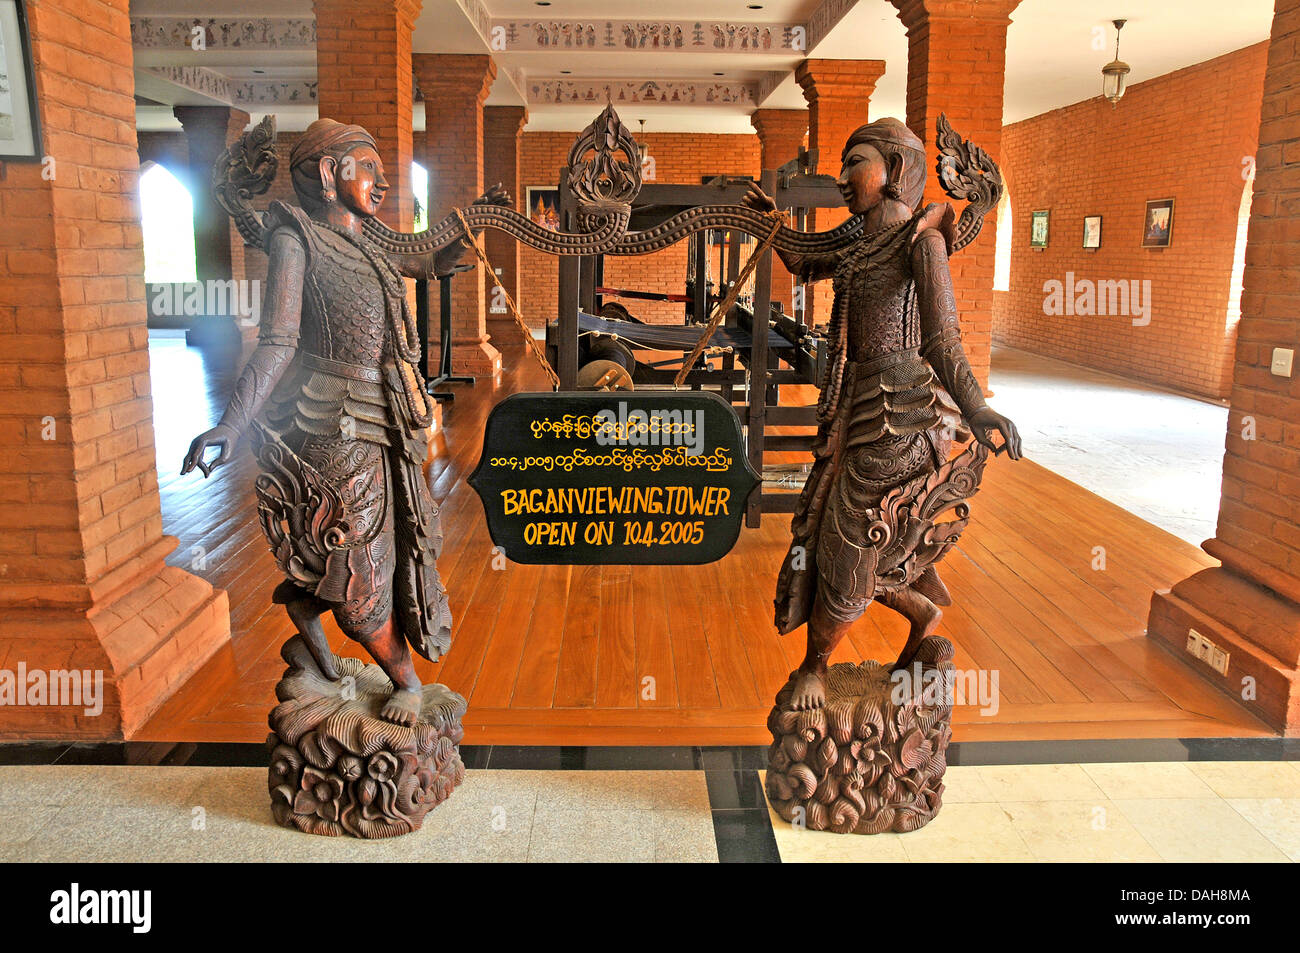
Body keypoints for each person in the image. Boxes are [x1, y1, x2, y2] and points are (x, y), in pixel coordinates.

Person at [182, 118, 503, 725]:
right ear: (328, 174)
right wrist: (230, 423)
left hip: (384, 419)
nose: (381, 184)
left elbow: (430, 263)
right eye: (369, 169)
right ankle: (404, 681)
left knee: (381, 541)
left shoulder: (370, 238)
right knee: (360, 560)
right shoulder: (294, 237)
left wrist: (474, 223)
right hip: (328, 423)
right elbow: (277, 341)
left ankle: (306, 607)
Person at [744, 118, 1023, 711]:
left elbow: (943, 339)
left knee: (849, 541)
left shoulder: (922, 241)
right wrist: (769, 221)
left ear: (896, 171)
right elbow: (800, 257)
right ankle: (920, 613)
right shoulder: (856, 238)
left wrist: (977, 407)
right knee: (829, 533)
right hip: (852, 407)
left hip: (900, 415)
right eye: (844, 165)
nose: (844, 178)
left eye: (856, 163)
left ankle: (815, 666)